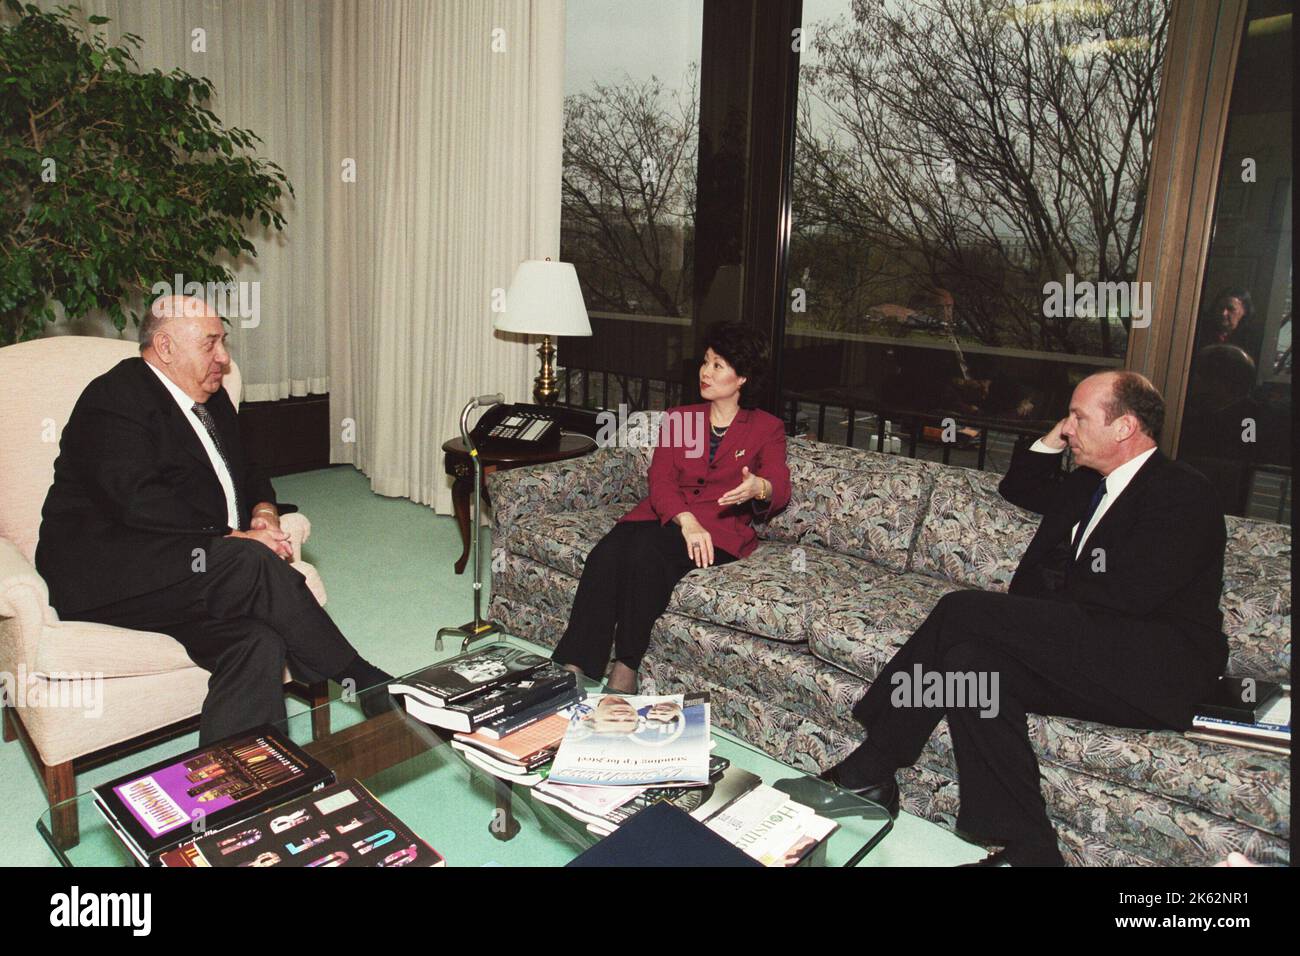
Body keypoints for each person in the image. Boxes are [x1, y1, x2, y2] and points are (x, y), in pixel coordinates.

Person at [780, 371, 1228, 866]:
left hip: (1152, 664)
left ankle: (873, 764)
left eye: (1078, 416)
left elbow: (1129, 595)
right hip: (1093, 649)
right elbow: (1021, 485)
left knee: (962, 610)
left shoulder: (1181, 492)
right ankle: (1030, 850)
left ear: (1124, 427)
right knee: (971, 664)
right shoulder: (1091, 484)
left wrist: (1030, 622)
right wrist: (1056, 437)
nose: (1069, 427)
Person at [35, 295, 393, 744]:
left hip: (181, 575)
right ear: (165, 347)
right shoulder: (113, 400)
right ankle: (362, 681)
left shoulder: (212, 395)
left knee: (257, 642)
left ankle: (235, 787)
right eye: (210, 344)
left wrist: (263, 514)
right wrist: (235, 536)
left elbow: (249, 469)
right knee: (247, 561)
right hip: (107, 577)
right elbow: (138, 501)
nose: (223, 358)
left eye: (223, 342)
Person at [552, 322, 791, 692]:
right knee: (607, 553)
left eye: (718, 365)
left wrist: (760, 486)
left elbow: (777, 482)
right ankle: (577, 664)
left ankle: (626, 665)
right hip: (666, 515)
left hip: (719, 532)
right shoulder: (682, 418)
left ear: (742, 377)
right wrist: (685, 519)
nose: (705, 372)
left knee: (645, 556)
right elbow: (660, 480)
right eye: (705, 362)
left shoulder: (766, 428)